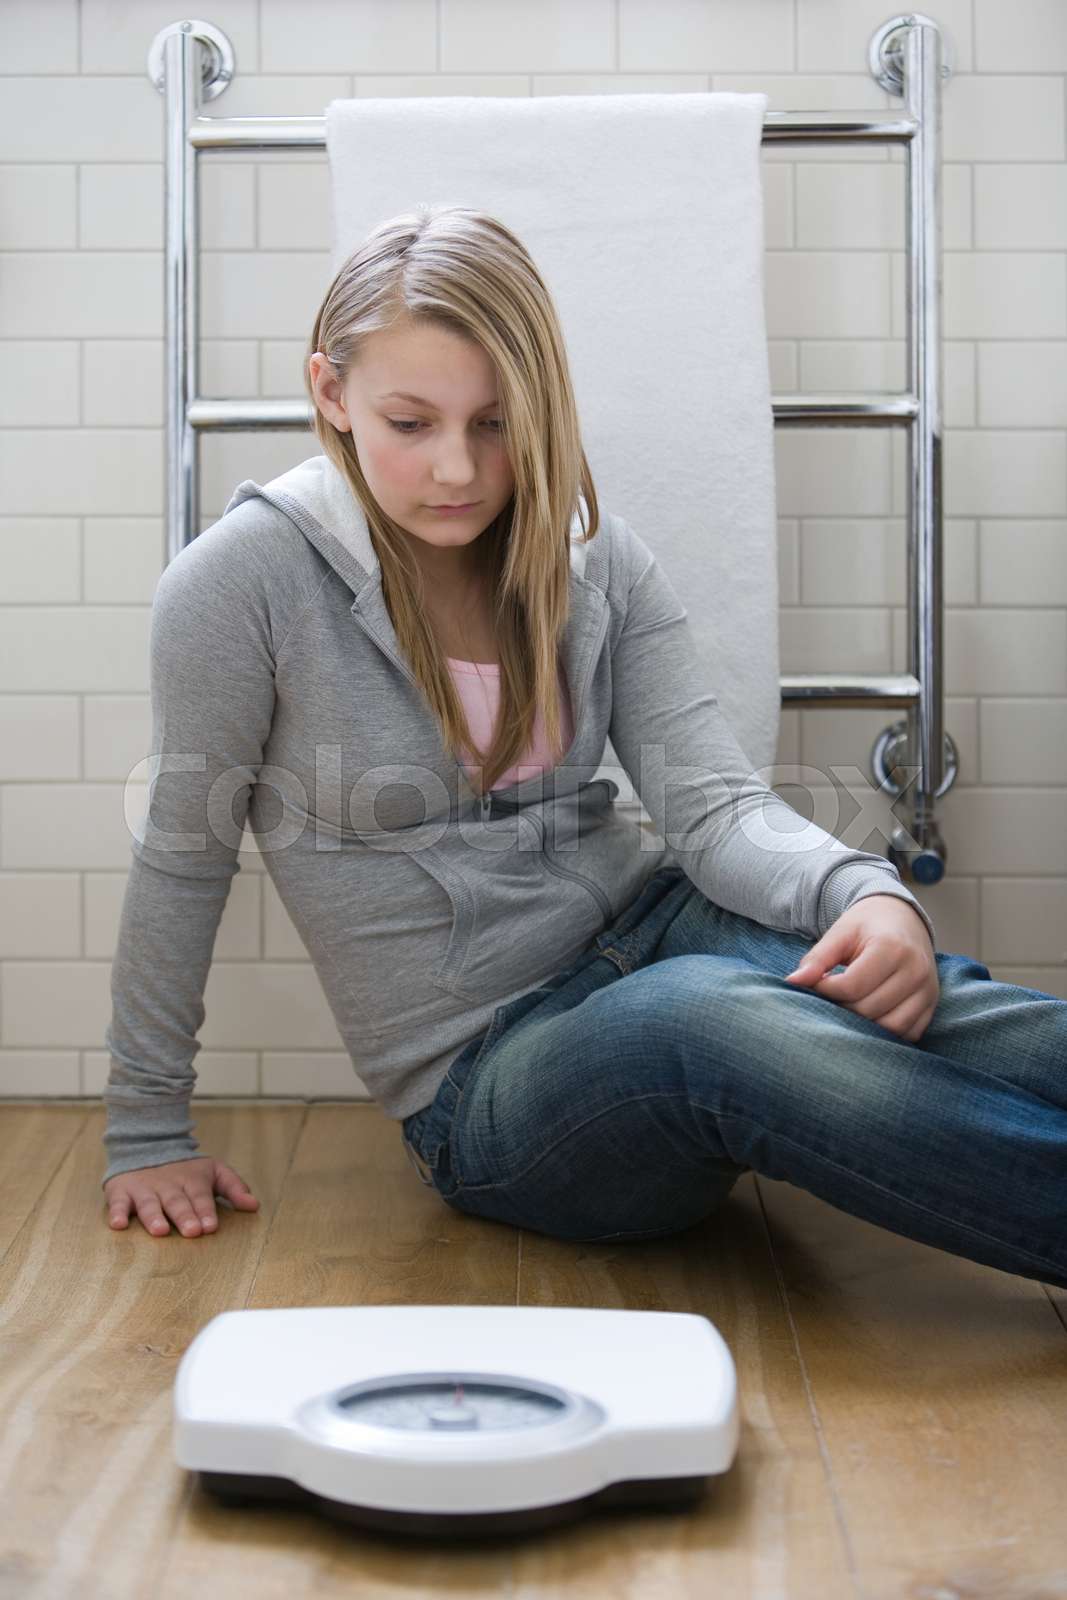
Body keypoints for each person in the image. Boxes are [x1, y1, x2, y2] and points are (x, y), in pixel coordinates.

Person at [101, 204, 1067, 1294]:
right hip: (495, 1079)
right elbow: (181, 860)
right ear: (331, 392)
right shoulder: (239, 586)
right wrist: (145, 1127)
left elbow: (711, 807)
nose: (457, 469)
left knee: (967, 1015)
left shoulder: (596, 561)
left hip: (662, 931)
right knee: (706, 1021)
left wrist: (863, 891)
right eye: (409, 422)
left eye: (496, 423)